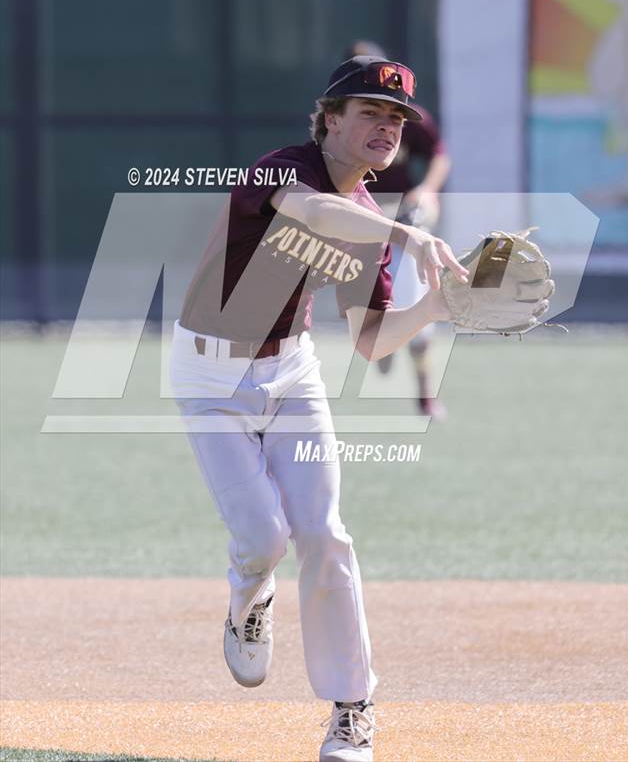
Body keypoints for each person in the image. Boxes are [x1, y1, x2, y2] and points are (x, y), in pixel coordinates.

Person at [169, 55, 468, 762]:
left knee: (326, 533)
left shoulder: (368, 221)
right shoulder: (284, 168)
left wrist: (438, 304)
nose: (387, 127)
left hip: (293, 372)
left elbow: (372, 340)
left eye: (397, 118)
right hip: (208, 376)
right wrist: (404, 233)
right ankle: (250, 593)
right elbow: (308, 209)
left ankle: (352, 707)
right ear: (330, 120)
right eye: (370, 112)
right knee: (263, 537)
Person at [346, 41, 452, 420]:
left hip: (402, 222)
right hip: (359, 226)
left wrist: (427, 190)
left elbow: (439, 154)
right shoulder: (337, 131)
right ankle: (382, 343)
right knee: (374, 315)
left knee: (415, 308)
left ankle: (425, 394)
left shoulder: (410, 119)